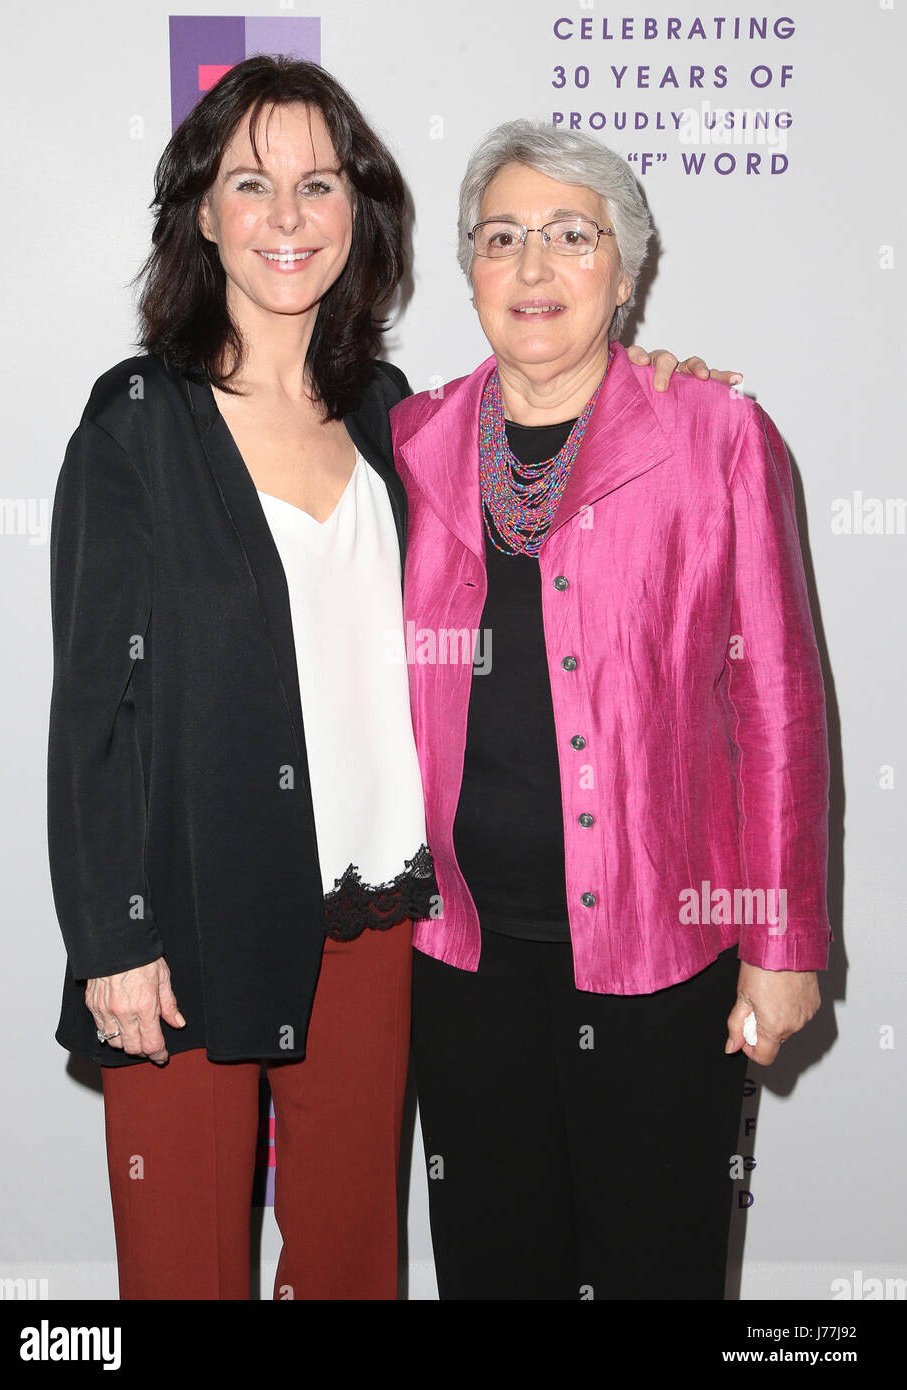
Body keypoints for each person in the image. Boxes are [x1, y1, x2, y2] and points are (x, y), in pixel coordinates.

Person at [48, 55, 733, 1301]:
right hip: (191, 919)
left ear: (357, 210)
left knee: (354, 1258)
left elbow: (562, 427)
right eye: (251, 183)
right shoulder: (135, 420)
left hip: (377, 918)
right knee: (185, 1268)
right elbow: (92, 708)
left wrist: (658, 383)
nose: (289, 217)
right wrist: (112, 940)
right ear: (203, 211)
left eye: (319, 184)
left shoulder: (393, 414)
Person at [390, 119, 830, 1301]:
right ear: (470, 271)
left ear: (623, 272)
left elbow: (776, 698)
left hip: (659, 957)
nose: (533, 268)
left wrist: (782, 946)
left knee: (653, 1266)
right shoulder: (408, 443)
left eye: (569, 237)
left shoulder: (716, 435)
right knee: (492, 1266)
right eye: (502, 238)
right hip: (457, 955)